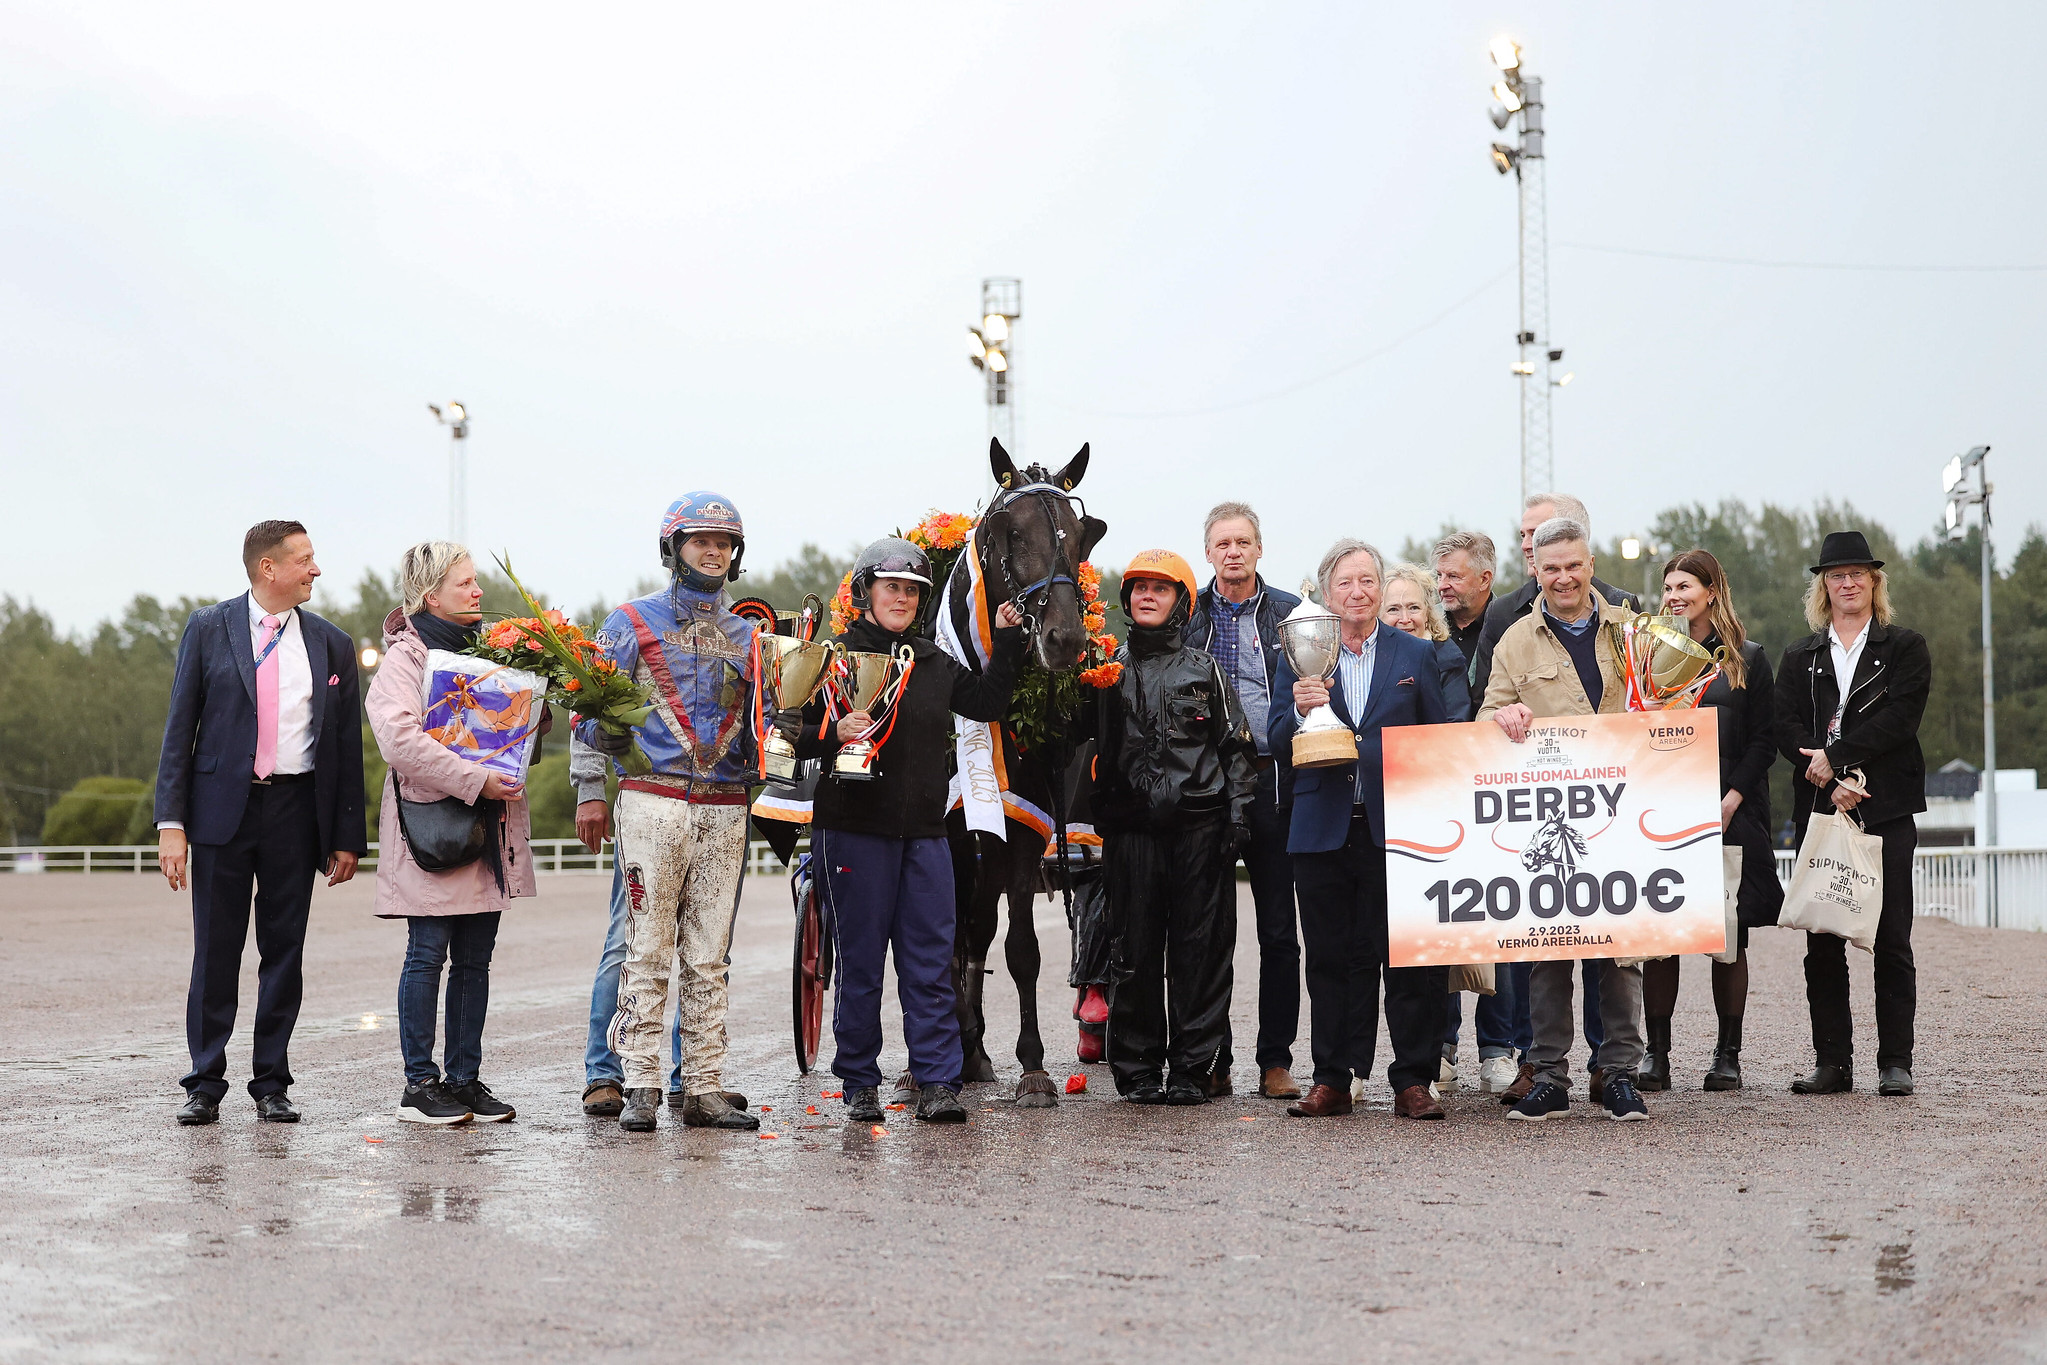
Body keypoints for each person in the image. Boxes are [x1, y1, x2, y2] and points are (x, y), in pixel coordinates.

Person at [789, 537, 1024, 1125]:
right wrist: (831, 734)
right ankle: (860, 1083)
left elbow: (989, 701)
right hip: (852, 833)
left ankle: (937, 1081)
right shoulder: (832, 658)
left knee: (928, 963)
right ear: (866, 591)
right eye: (891, 587)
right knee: (862, 964)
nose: (902, 598)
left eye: (913, 590)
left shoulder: (934, 661)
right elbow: (791, 735)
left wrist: (1010, 636)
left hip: (925, 836)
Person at [155, 521, 366, 1126]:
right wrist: (172, 823)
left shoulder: (331, 644)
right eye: (304, 560)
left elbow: (344, 749)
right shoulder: (207, 628)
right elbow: (180, 729)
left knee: (284, 951)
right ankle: (203, 1081)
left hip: (296, 813)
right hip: (222, 810)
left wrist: (346, 835)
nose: (316, 569)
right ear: (267, 568)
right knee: (215, 952)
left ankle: (272, 1081)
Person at [579, 493, 760, 1134]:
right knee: (646, 945)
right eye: (701, 541)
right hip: (653, 799)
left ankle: (704, 1086)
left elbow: (767, 734)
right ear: (672, 547)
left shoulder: (753, 636)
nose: (714, 552)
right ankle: (638, 1085)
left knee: (711, 951)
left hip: (725, 804)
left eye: (724, 543)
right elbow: (588, 716)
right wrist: (593, 786)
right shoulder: (628, 621)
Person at [1477, 516, 1650, 1122]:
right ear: (1536, 572)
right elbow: (1485, 716)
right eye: (1551, 568)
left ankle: (1621, 1072)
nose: (1564, 577)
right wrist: (1504, 717)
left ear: (1591, 564)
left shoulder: (1634, 630)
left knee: (1622, 949)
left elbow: (1671, 708)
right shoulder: (1515, 642)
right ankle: (1549, 1074)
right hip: (1551, 822)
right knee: (1548, 952)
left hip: (1622, 811)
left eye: (1573, 565)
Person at [1271, 539, 1450, 1120]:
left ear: (1381, 586)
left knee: (1407, 959)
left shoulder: (1414, 654)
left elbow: (1438, 738)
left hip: (1397, 830)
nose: (1358, 592)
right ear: (1328, 593)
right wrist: (1300, 712)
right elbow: (1275, 740)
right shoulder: (1299, 654)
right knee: (1328, 960)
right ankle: (1332, 1079)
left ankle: (1412, 1079)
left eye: (1367, 581)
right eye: (1345, 583)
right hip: (1321, 828)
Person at [367, 543, 539, 1124]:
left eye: (475, 582)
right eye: (464, 583)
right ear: (428, 595)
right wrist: (476, 780)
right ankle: (419, 1085)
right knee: (427, 955)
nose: (478, 592)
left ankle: (465, 1080)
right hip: (434, 828)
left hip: (489, 825)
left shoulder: (495, 652)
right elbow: (399, 741)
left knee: (475, 961)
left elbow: (516, 730)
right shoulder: (404, 661)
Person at [1093, 549, 1256, 1105]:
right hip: (1130, 831)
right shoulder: (1103, 668)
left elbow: (1235, 749)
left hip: (1199, 830)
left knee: (1200, 952)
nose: (1147, 596)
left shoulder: (1204, 668)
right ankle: (1136, 1069)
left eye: (1160, 589)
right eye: (1138, 587)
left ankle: (1192, 1068)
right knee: (1132, 950)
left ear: (1181, 602)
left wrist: (1236, 817)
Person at [1774, 531, 1930, 1098]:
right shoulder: (1800, 655)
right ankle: (1833, 1062)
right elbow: (1784, 724)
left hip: (1885, 808)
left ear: (1873, 582)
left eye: (1857, 574)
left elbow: (1899, 721)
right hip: (1820, 809)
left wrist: (1838, 760)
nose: (1847, 582)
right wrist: (1830, 776)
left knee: (1891, 937)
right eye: (1837, 575)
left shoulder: (1905, 648)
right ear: (1823, 586)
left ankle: (1895, 1061)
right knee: (1823, 937)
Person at [1638, 550, 1782, 1092]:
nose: (1674, 596)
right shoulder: (1649, 654)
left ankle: (1728, 1054)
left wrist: (1732, 797)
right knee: (1662, 932)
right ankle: (1657, 1054)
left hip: (1730, 812)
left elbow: (1765, 739)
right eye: (1668, 587)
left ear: (1712, 591)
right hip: (1666, 811)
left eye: (1685, 586)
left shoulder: (1748, 657)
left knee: (1727, 936)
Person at [1183, 502, 1303, 1100]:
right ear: (1208, 552)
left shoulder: (1294, 615)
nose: (1233, 552)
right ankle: (1213, 1057)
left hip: (1273, 781)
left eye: (1244, 542)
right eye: (1223, 543)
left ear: (1260, 549)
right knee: (1209, 930)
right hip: (1206, 789)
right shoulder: (1188, 616)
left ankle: (1275, 1060)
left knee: (1280, 930)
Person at [1380, 561, 1472, 723]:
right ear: (1378, 616)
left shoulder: (1448, 660)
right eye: (1393, 609)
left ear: (1427, 613)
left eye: (1414, 608)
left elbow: (1456, 723)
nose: (1405, 619)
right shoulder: (1366, 658)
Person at [1431, 529, 1496, 694]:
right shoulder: (1424, 624)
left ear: (1484, 580)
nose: (1442, 586)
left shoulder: (1511, 624)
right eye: (1439, 575)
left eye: (1453, 576)